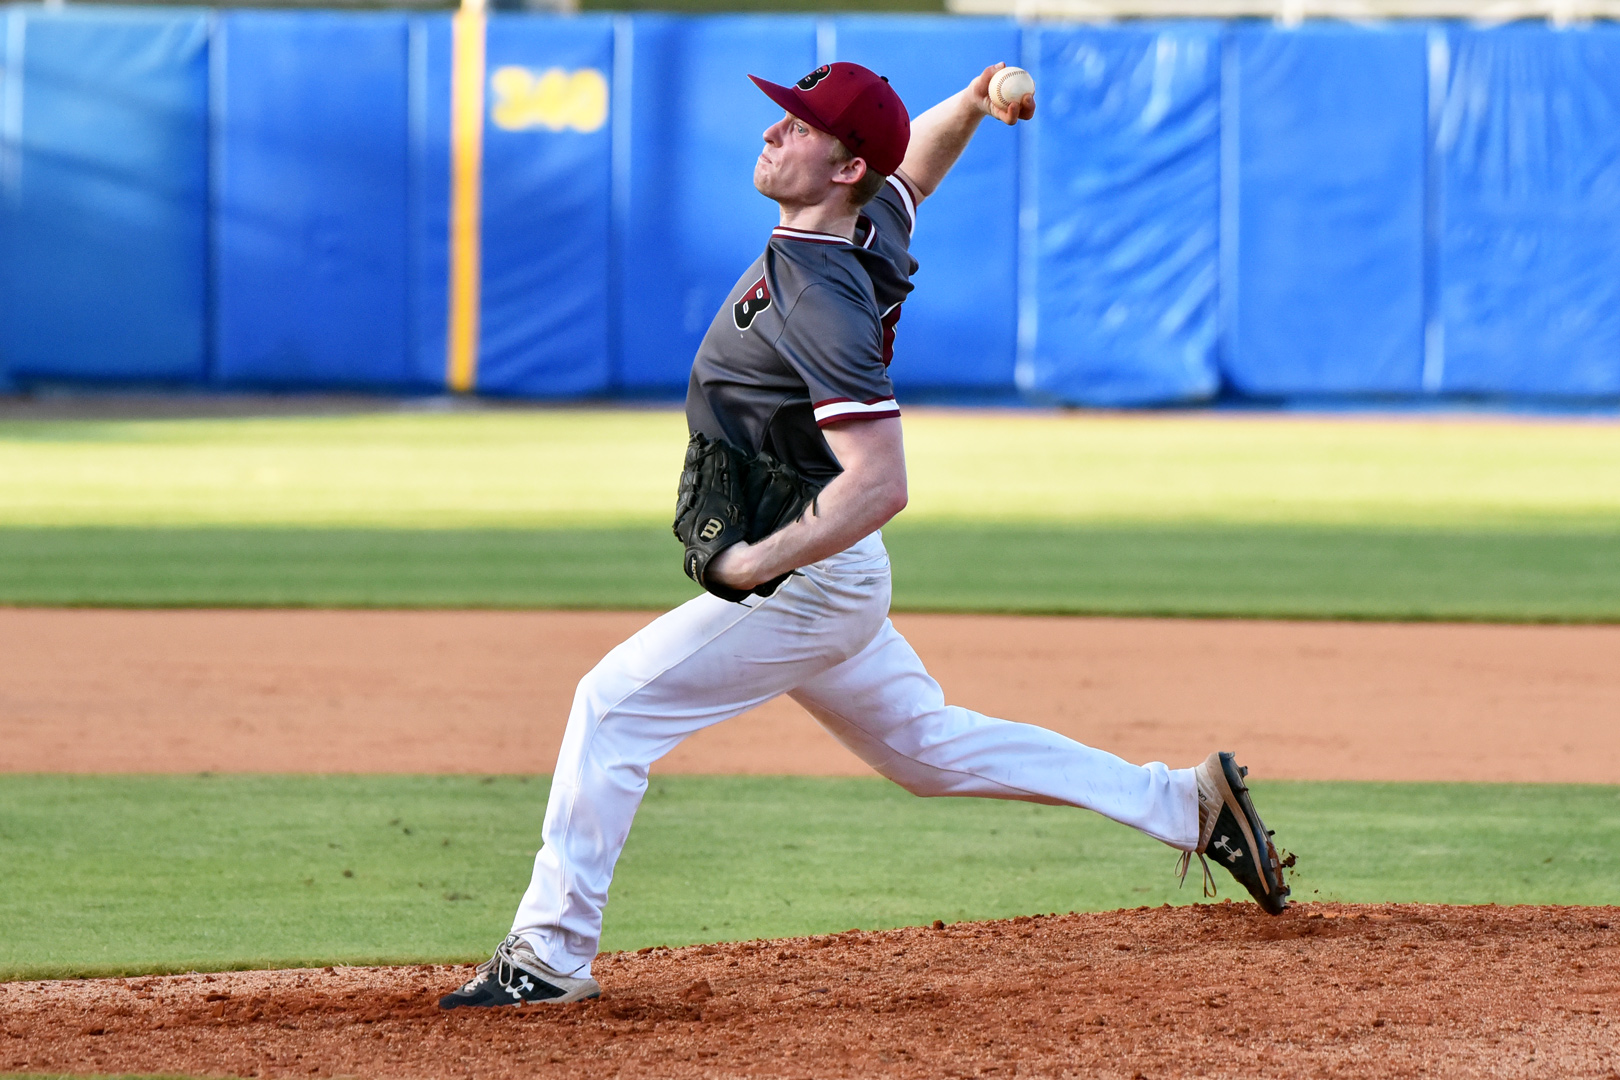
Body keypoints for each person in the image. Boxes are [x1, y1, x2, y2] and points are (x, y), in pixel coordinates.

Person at [440, 60, 1289, 1010]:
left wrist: (754, 566)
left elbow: (880, 483)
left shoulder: (821, 299)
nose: (773, 132)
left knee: (611, 707)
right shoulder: (865, 220)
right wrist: (972, 102)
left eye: (798, 125)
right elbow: (911, 170)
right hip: (832, 569)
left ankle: (548, 956)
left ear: (841, 169)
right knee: (925, 752)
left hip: (807, 574)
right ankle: (1181, 803)